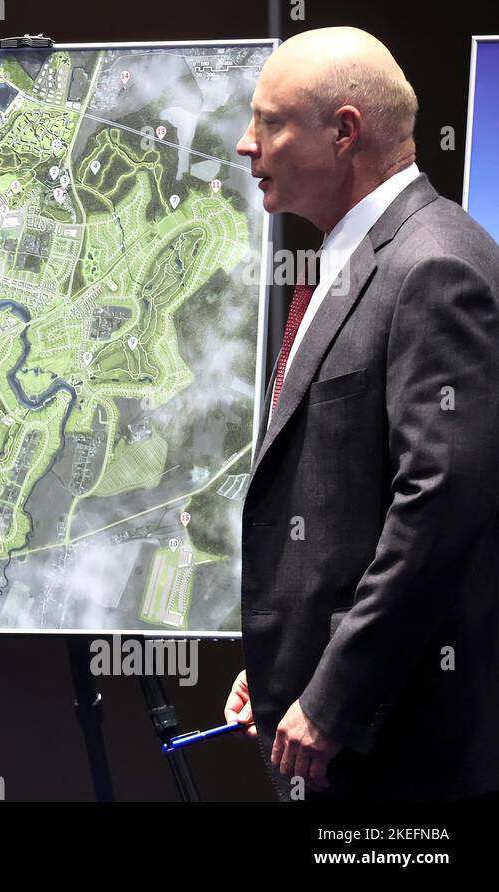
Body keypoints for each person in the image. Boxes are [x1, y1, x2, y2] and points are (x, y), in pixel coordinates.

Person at [225, 27, 499, 800]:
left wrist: (336, 694)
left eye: (270, 122)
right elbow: (349, 505)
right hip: (348, 740)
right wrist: (291, 662)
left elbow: (438, 511)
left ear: (344, 132)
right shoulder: (362, 256)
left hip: (401, 759)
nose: (247, 146)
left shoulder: (435, 265)